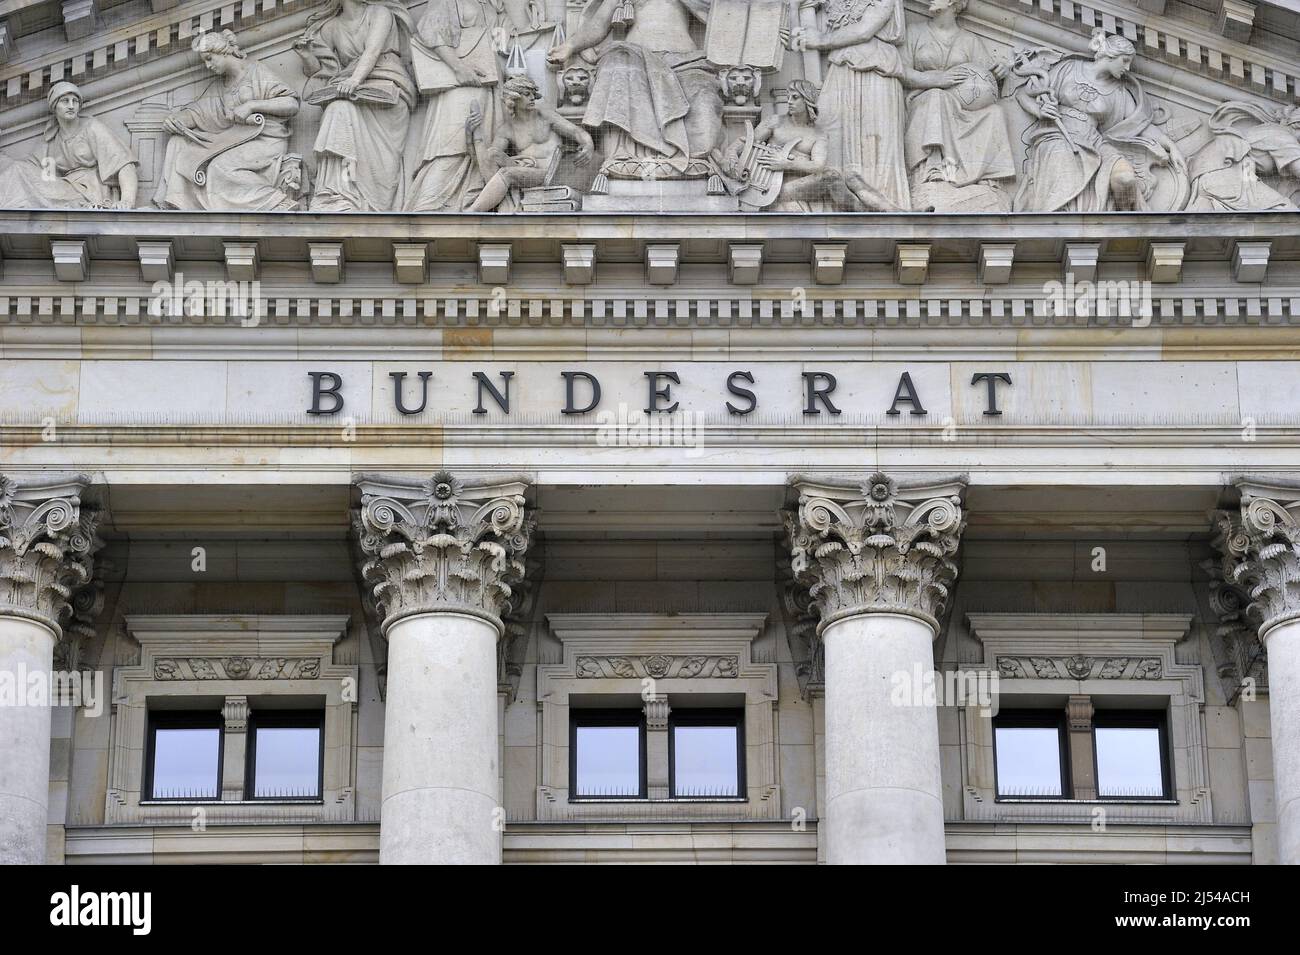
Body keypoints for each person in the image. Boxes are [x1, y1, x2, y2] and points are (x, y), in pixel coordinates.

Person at [1013, 29, 1185, 212]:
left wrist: (1170, 146)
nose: (1127, 68)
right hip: (1058, 136)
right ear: (1111, 55)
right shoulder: (1070, 68)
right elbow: (1023, 94)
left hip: (1095, 142)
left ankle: (1124, 229)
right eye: (1125, 61)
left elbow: (1140, 126)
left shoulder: (1119, 92)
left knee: (1125, 178)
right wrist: (1040, 111)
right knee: (1063, 169)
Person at [153, 30, 301, 212]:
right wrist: (176, 120)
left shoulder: (256, 72)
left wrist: (253, 106)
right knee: (178, 143)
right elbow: (197, 113)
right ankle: (178, 204)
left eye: (209, 58)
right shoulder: (219, 87)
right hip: (233, 140)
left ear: (223, 51)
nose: (208, 66)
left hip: (265, 140)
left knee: (220, 167)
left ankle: (275, 202)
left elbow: (291, 103)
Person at [295, 0, 416, 212]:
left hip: (386, 88)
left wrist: (355, 81)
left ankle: (373, 198)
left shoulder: (379, 13)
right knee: (337, 110)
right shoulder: (330, 27)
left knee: (342, 111)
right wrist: (306, 56)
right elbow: (324, 71)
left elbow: (373, 50)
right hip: (348, 90)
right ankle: (338, 193)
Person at [790, 0, 910, 211]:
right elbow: (799, 35)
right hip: (839, 68)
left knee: (872, 138)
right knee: (827, 129)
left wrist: (821, 40)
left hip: (875, 70)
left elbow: (865, 30)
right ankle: (833, 203)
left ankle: (884, 206)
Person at [900, 0, 1013, 190]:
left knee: (994, 112)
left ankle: (986, 174)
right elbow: (901, 70)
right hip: (924, 98)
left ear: (954, 2)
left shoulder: (970, 41)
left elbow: (985, 78)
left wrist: (997, 75)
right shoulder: (915, 33)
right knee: (937, 96)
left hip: (961, 106)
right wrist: (937, 80)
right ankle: (933, 165)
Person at [0, 82, 138, 209]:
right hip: (64, 187)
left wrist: (127, 201)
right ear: (54, 107)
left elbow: (124, 163)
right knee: (16, 170)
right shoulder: (52, 137)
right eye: (65, 101)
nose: (71, 106)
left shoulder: (91, 127)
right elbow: (29, 167)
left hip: (88, 191)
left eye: (75, 101)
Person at [466, 76, 595, 212]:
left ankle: (473, 211)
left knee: (507, 173)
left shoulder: (544, 116)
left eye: (533, 93)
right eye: (527, 94)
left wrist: (588, 145)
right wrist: (470, 136)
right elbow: (485, 163)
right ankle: (505, 204)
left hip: (551, 173)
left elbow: (576, 132)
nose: (532, 97)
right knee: (492, 154)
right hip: (525, 174)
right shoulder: (507, 129)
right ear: (513, 99)